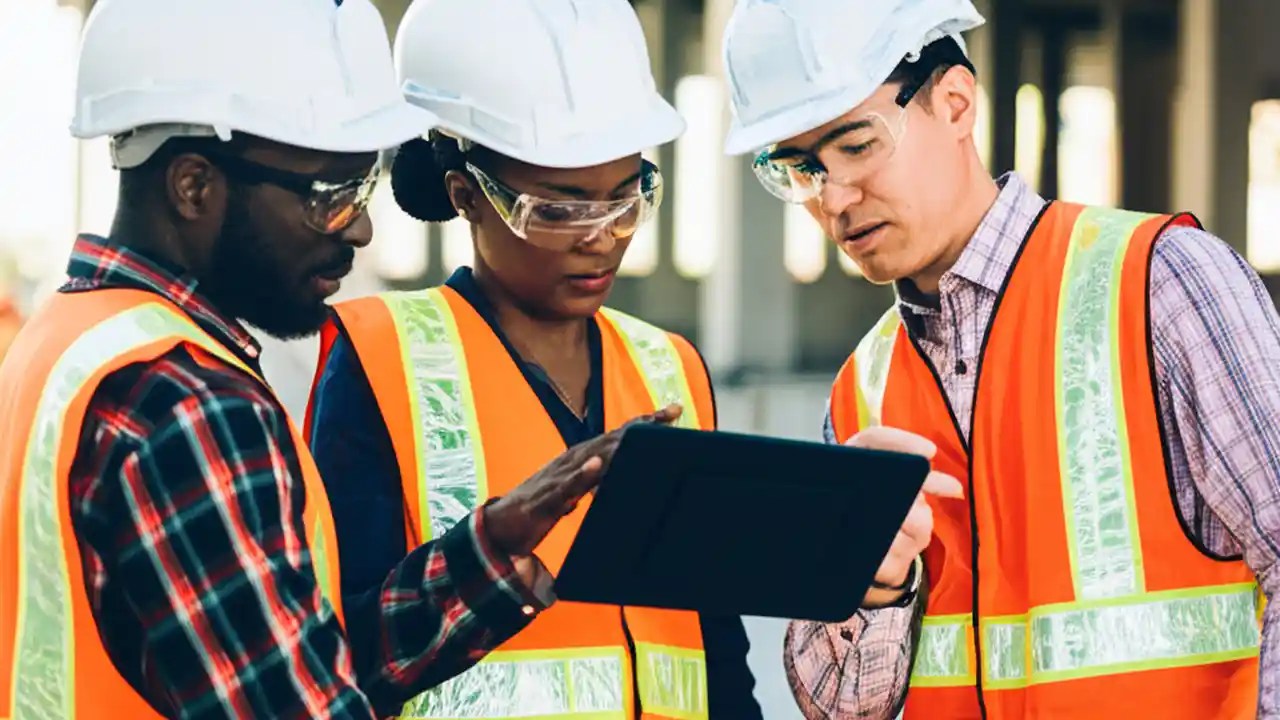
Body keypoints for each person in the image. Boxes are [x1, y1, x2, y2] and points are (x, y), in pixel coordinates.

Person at [0, 0, 658, 717]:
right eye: (331, 195)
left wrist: (488, 551)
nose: (362, 228)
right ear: (194, 186)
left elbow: (301, 664)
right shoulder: (187, 404)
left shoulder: (65, 344)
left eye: (362, 190)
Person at [719, 0, 1280, 718]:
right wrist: (876, 585)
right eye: (800, 169)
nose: (833, 198)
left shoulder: (1161, 284)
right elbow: (840, 708)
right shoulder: (864, 387)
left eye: (856, 146)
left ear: (955, 103)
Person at [305, 0, 763, 717]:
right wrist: (487, 556)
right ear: (466, 196)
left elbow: (718, 648)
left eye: (625, 200)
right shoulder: (381, 360)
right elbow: (337, 655)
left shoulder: (670, 367)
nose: (602, 237)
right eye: (559, 210)